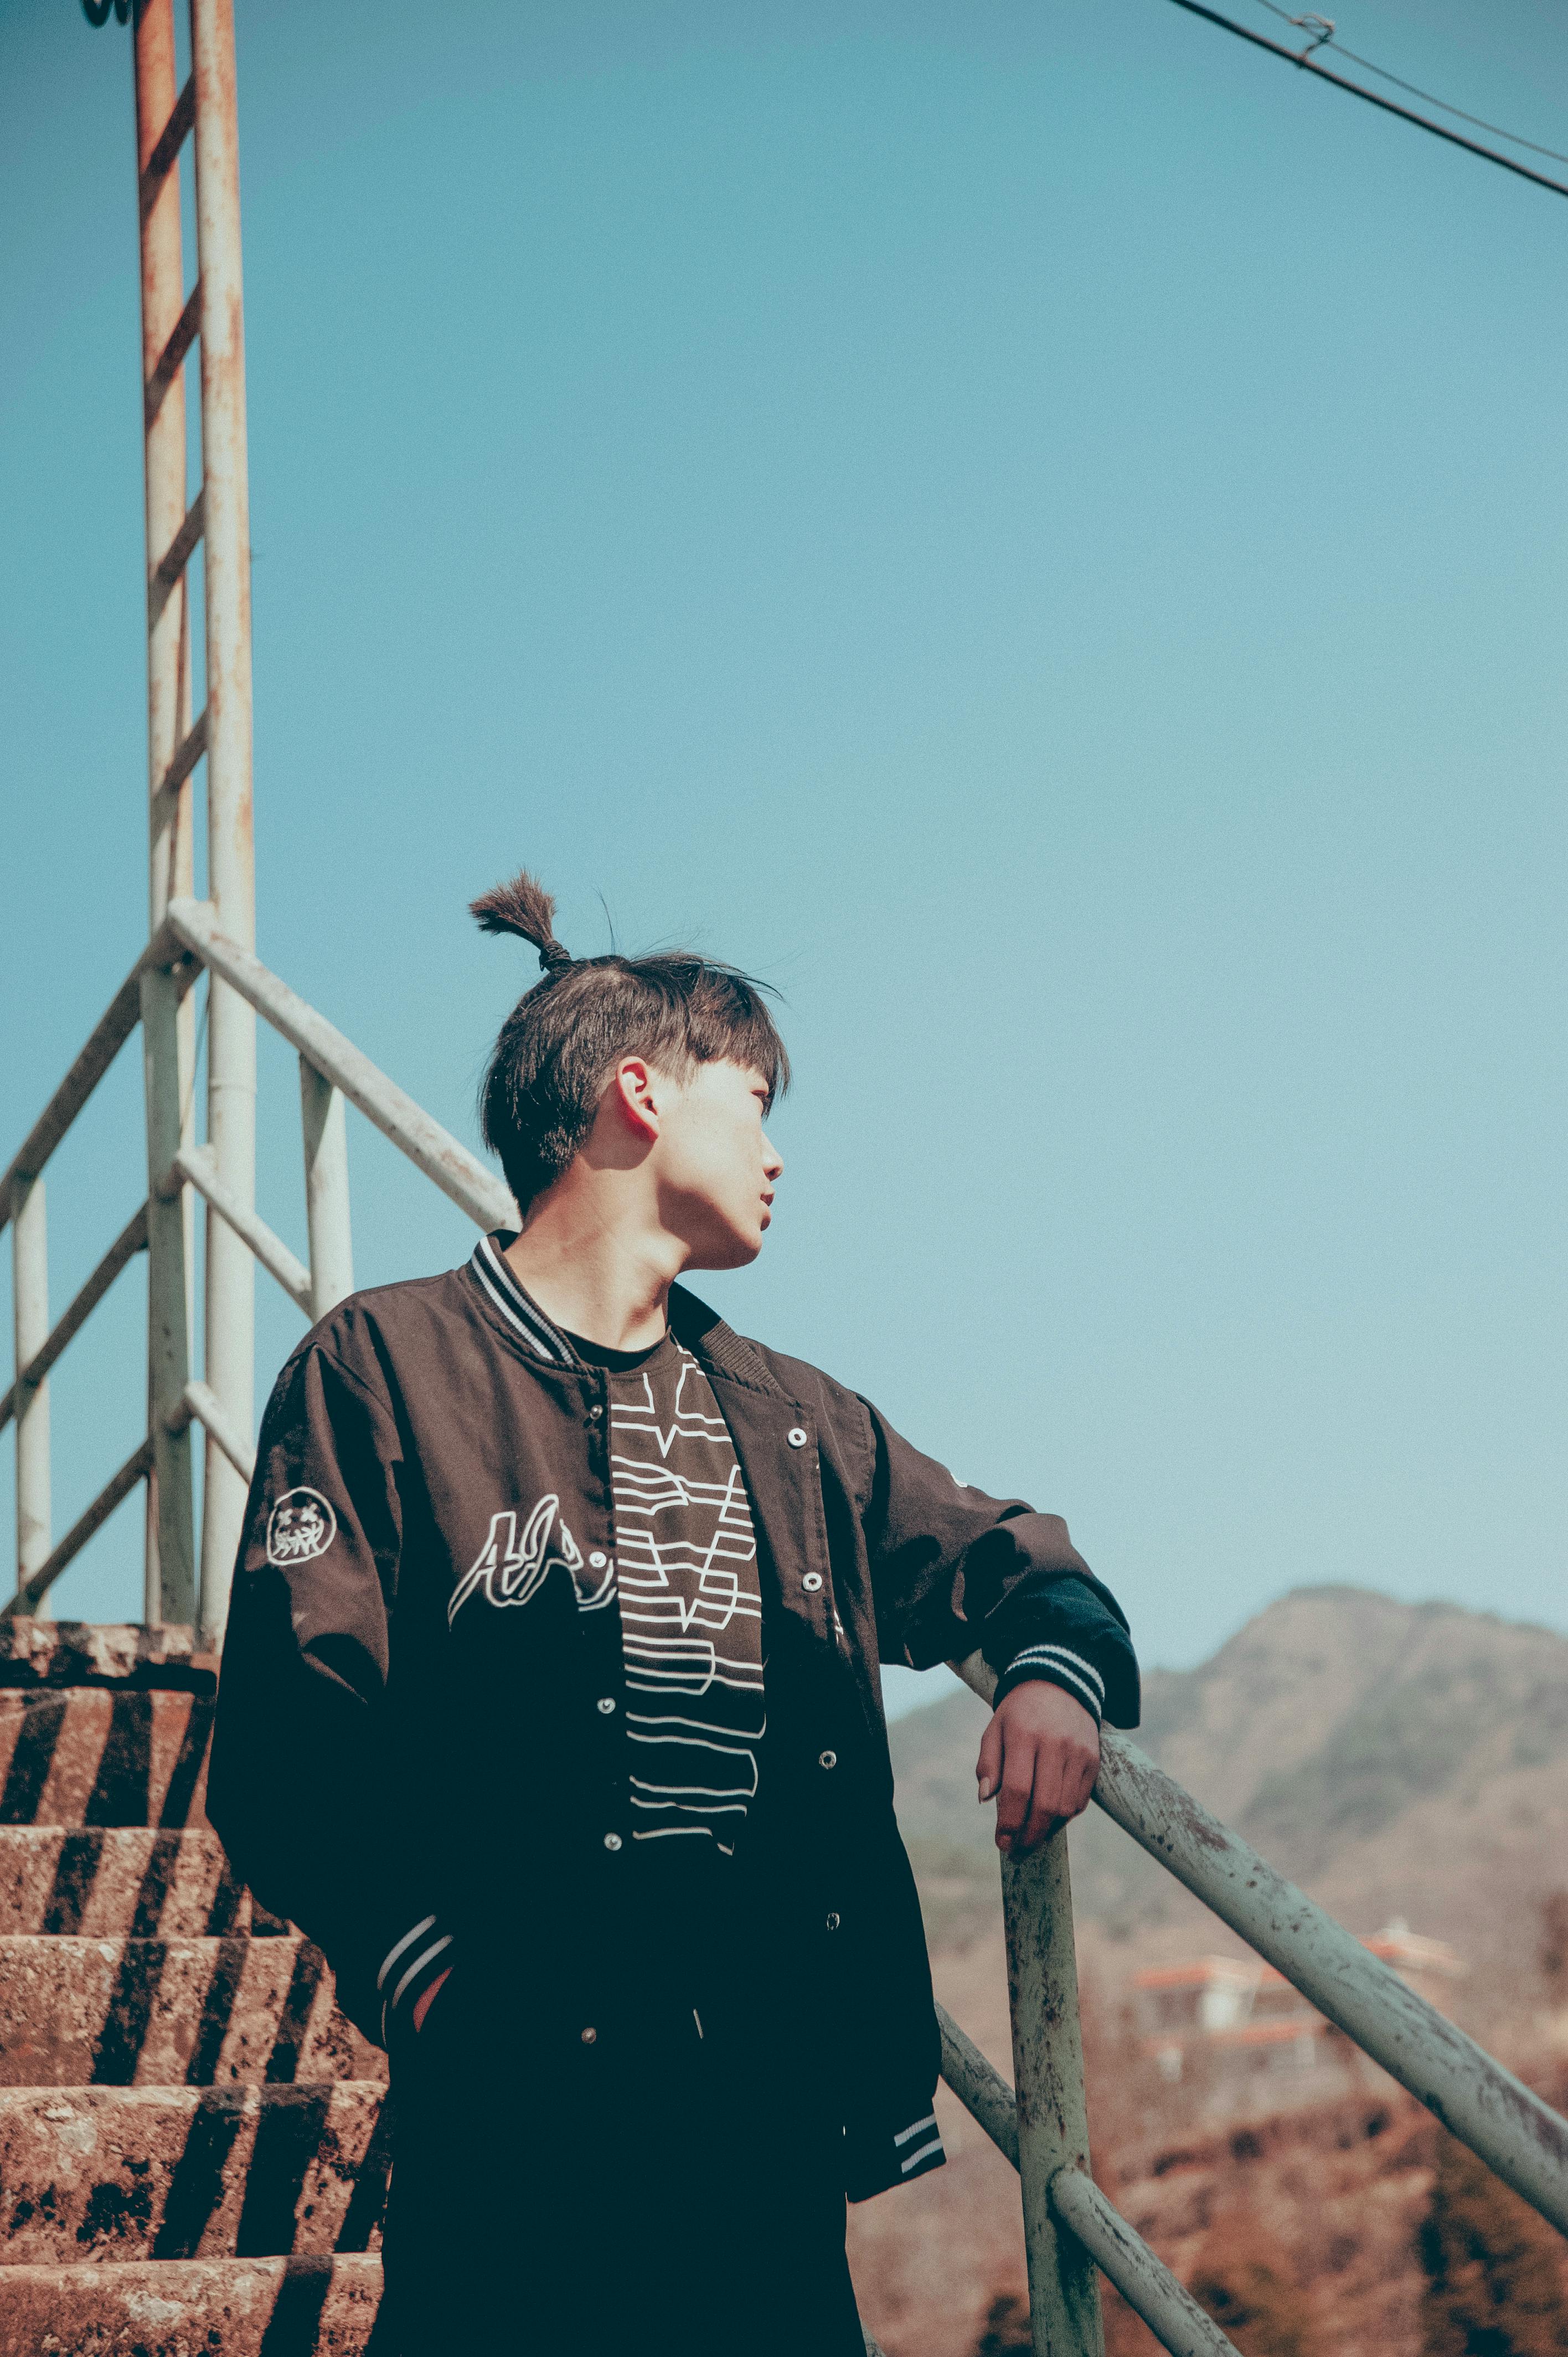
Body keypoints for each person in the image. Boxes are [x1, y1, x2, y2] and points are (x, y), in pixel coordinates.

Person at [207, 869, 1140, 2356]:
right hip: (512, 2145)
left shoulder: (794, 1419)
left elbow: (1021, 1561)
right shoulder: (382, 1370)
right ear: (637, 1094)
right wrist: (437, 1986)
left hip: (769, 2142)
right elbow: (289, 1746)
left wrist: (1055, 1674)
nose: (777, 1151)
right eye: (755, 1103)